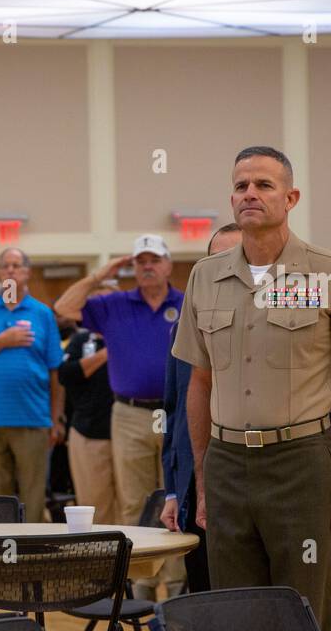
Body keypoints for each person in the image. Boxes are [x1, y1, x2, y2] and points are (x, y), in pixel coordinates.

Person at [172, 146, 331, 631]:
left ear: (291, 197)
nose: (250, 193)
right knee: (234, 612)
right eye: (241, 185)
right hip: (227, 465)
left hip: (301, 466)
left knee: (305, 612)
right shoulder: (205, 278)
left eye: (264, 185)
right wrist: (204, 480)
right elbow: (199, 383)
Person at [55, 235, 182, 530]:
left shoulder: (187, 302)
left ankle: (176, 577)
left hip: (175, 412)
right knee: (134, 500)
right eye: (141, 262)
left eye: (155, 260)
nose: (148, 267)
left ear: (168, 266)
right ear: (132, 268)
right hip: (129, 413)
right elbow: (63, 307)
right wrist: (100, 274)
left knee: (176, 497)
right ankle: (141, 576)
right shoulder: (114, 304)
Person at [160, 223, 243, 592]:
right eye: (215, 261)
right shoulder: (186, 326)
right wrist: (174, 490)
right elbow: (173, 410)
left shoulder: (277, 316)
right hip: (196, 484)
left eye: (235, 260)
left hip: (245, 479)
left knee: (243, 594)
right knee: (204, 591)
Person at [0, 247, 64, 522]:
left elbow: (56, 373)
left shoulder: (42, 314)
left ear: (27, 272)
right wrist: (1, 341)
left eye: (16, 266)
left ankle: (32, 557)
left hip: (33, 418)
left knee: (32, 496)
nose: (10, 271)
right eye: (5, 266)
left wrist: (56, 419)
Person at [58, 282, 118, 524]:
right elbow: (65, 374)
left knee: (133, 504)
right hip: (89, 431)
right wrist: (105, 354)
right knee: (95, 506)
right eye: (97, 303)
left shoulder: (131, 337)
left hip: (129, 432)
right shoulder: (81, 340)